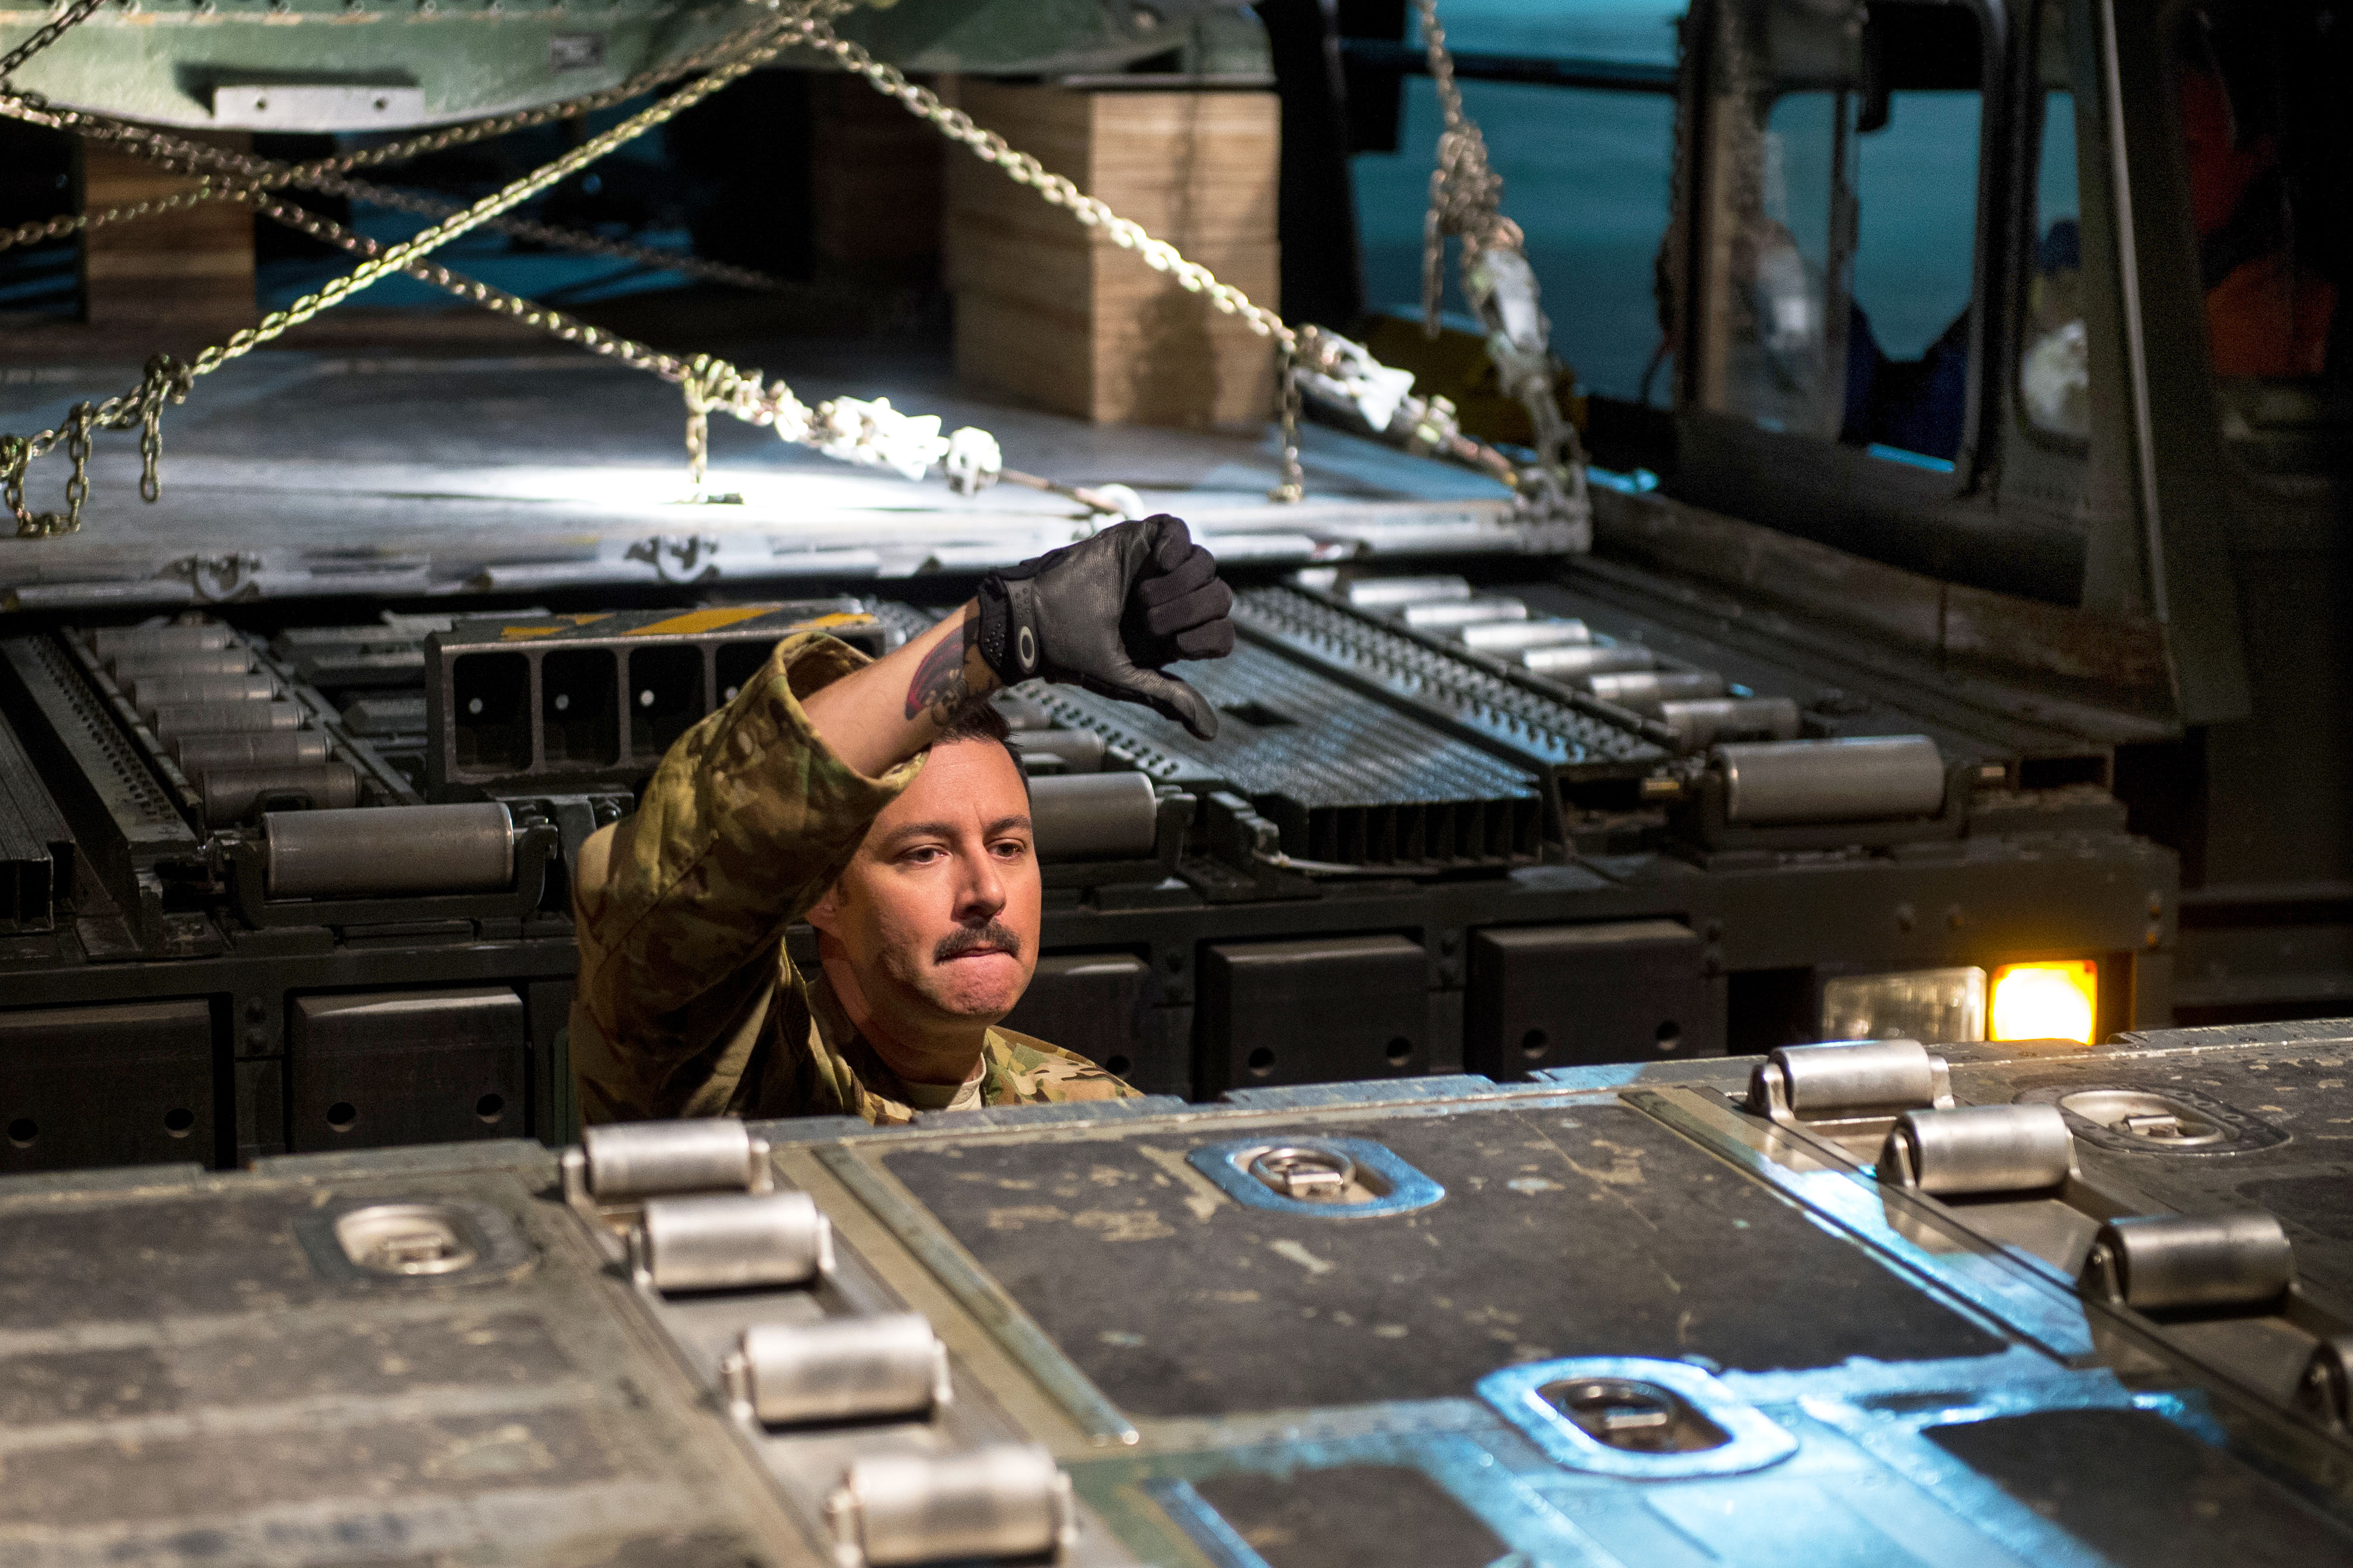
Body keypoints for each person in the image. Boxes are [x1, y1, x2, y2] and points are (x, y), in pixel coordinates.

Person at [567, 515, 1235, 1125]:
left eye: (1006, 847)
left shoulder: (1088, 1112)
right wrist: (1000, 636)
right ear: (821, 890)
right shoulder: (740, 1087)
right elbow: (676, 882)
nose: (986, 891)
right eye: (924, 853)